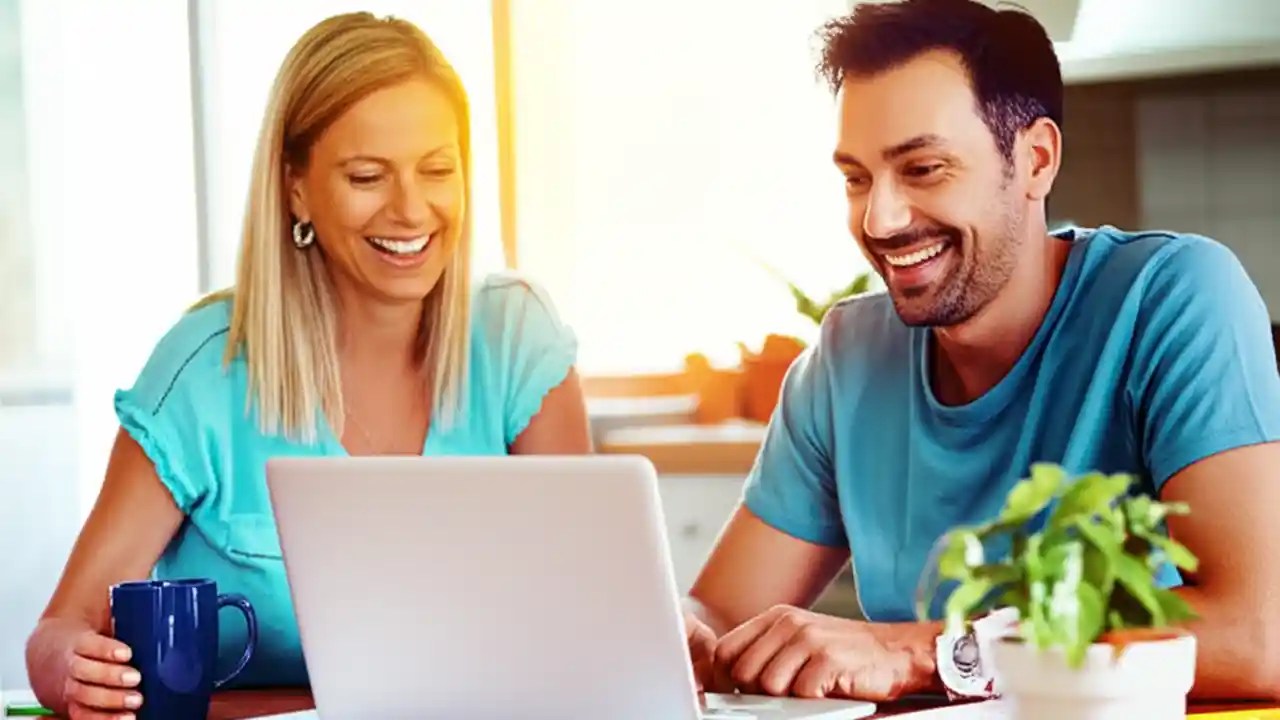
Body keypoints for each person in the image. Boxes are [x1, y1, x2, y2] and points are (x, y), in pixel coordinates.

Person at [683, 0, 1280, 705]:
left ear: (1035, 159)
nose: (880, 218)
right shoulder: (844, 361)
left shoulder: (1170, 297)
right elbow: (721, 615)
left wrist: (926, 651)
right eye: (856, 178)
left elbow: (1256, 636)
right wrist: (676, 637)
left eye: (925, 168)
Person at [25, 12, 591, 718]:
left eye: (438, 170)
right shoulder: (207, 370)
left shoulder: (515, 342)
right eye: (366, 176)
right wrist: (76, 670)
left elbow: (592, 618)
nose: (411, 209)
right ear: (296, 189)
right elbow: (60, 631)